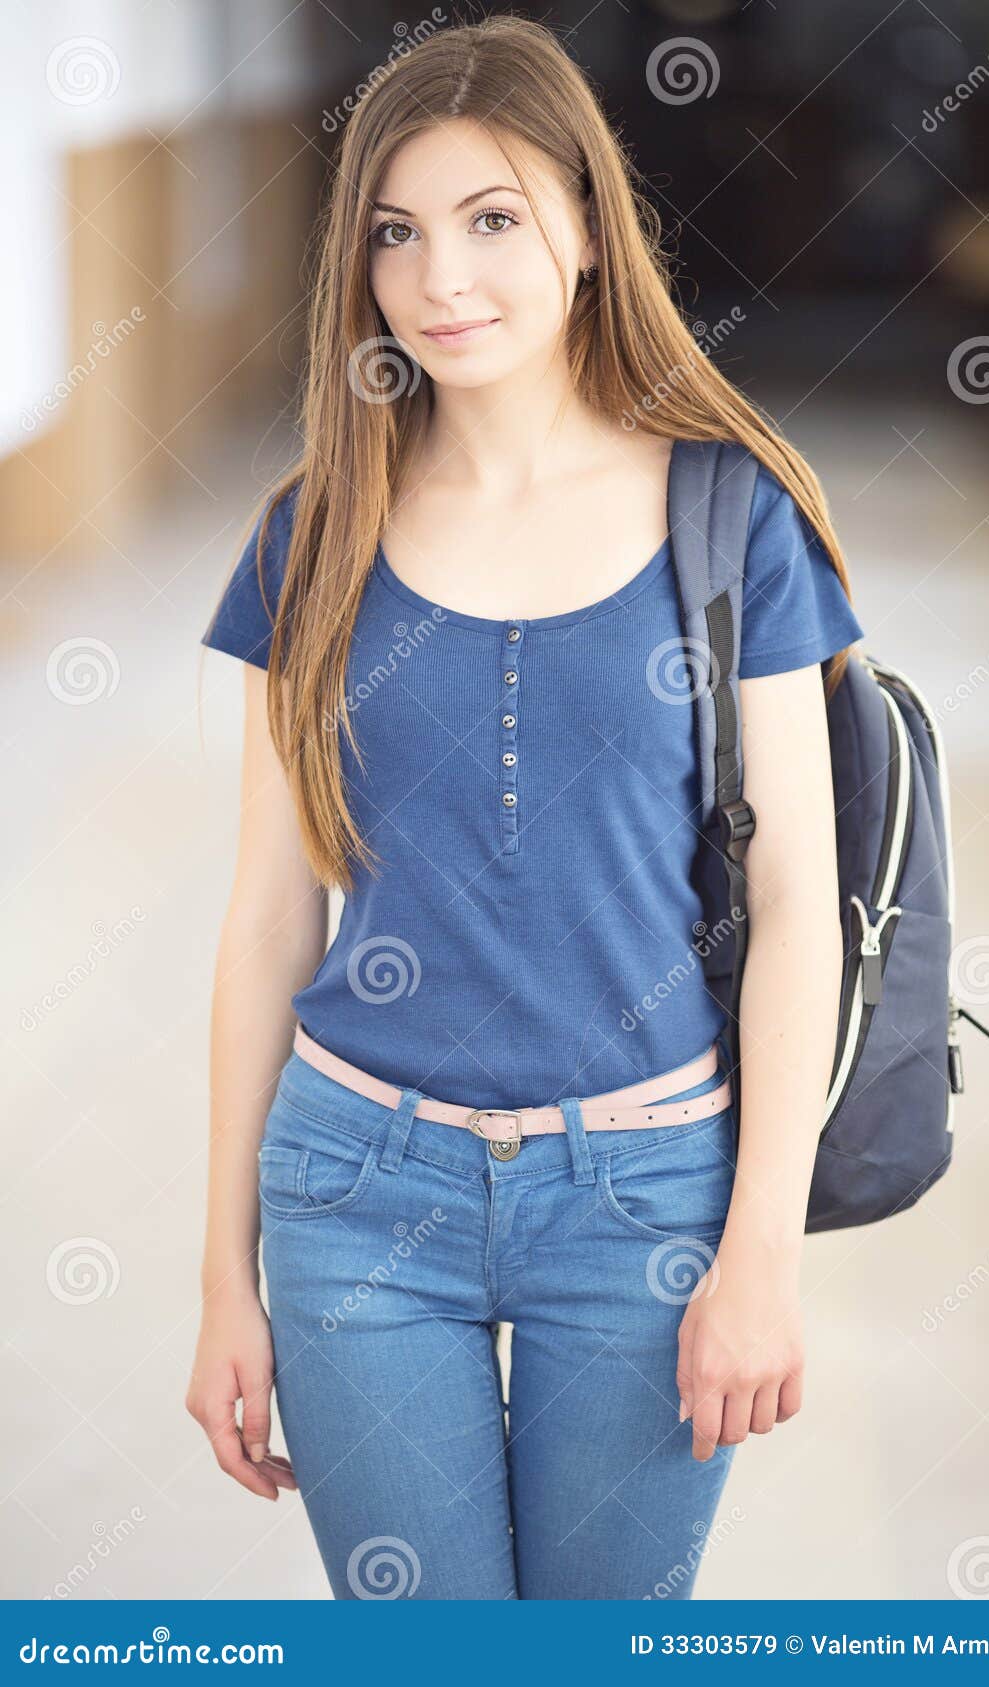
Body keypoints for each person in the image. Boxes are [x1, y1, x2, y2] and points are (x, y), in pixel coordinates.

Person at [187, 14, 864, 1601]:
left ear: (582, 223)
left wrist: (762, 1242)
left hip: (642, 1195)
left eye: (492, 219)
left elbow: (797, 914)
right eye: (397, 236)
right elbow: (269, 918)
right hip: (360, 1194)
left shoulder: (730, 511)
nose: (443, 281)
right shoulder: (313, 533)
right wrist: (224, 1277)